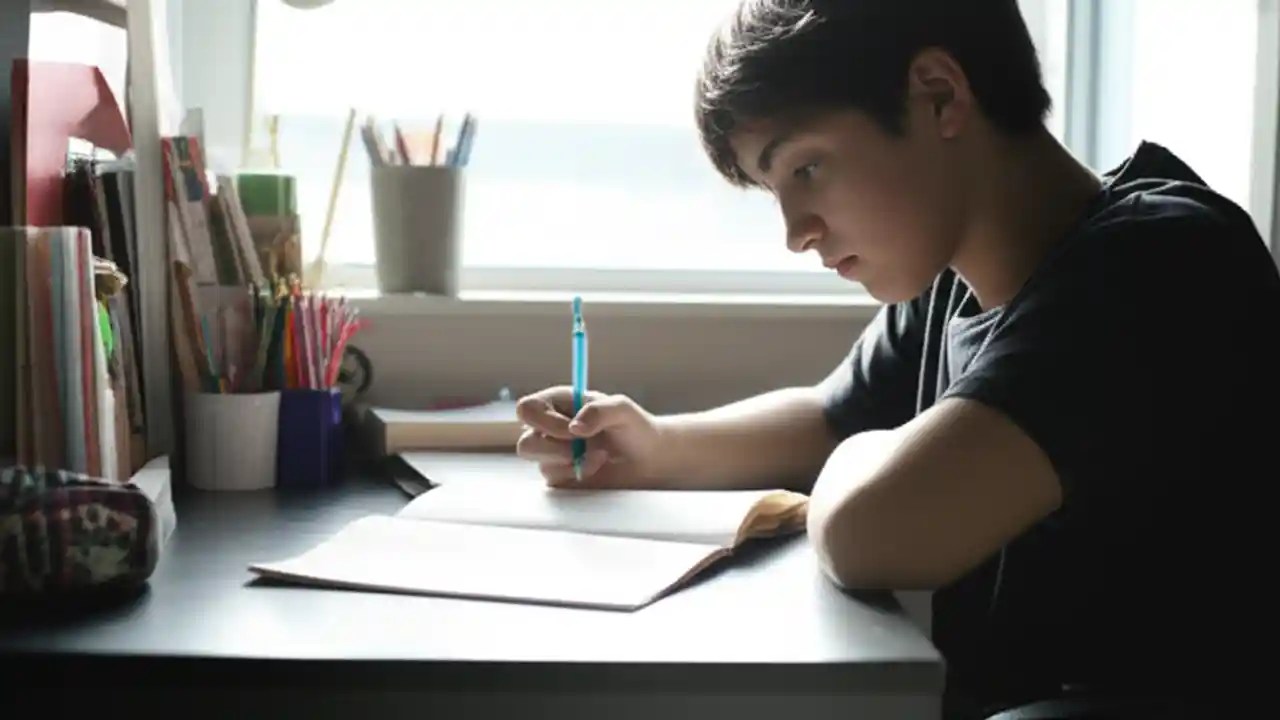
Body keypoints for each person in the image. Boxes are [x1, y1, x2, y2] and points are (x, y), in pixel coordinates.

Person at [515, 0, 1280, 717]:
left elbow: (871, 530)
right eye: (774, 190)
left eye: (805, 169)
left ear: (939, 96)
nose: (795, 232)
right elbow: (830, 416)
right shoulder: (957, 274)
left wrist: (868, 456)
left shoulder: (1158, 265)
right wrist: (655, 445)